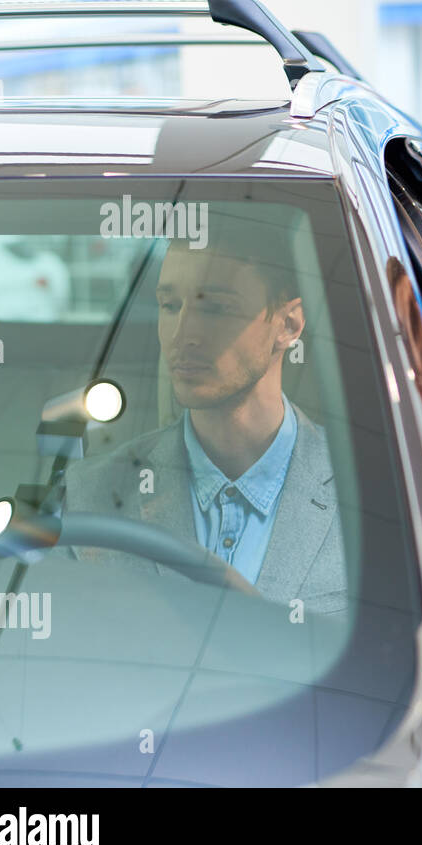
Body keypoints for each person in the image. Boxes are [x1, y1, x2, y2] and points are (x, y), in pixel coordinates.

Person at [63, 232, 346, 613]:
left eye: (214, 309)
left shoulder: (369, 496)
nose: (181, 336)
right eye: (169, 305)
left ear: (289, 325)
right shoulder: (91, 495)